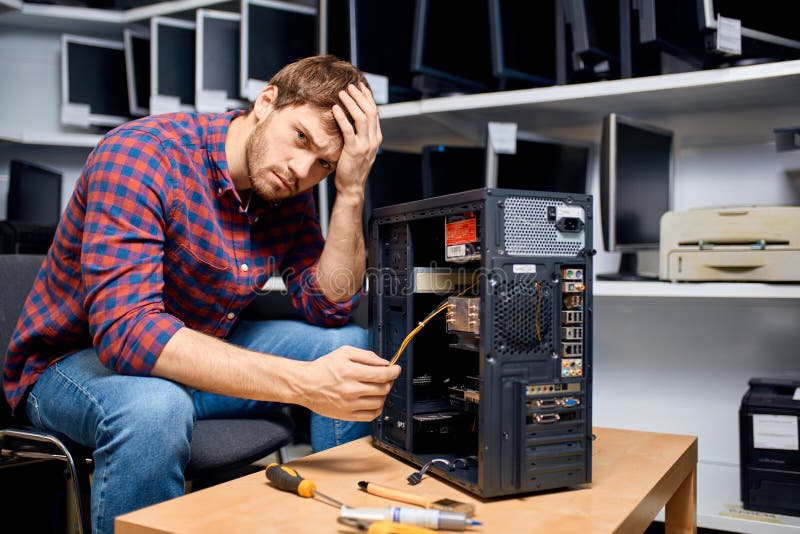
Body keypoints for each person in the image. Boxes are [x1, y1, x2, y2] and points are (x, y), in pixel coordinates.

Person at [3, 54, 400, 533]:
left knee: (351, 348)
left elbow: (330, 305)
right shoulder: (142, 155)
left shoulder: (282, 189)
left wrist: (351, 189)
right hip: (72, 366)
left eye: (324, 164)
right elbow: (128, 333)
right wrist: (303, 383)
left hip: (195, 356)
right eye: (300, 138)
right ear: (267, 100)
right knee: (155, 408)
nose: (301, 169)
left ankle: (339, 520)